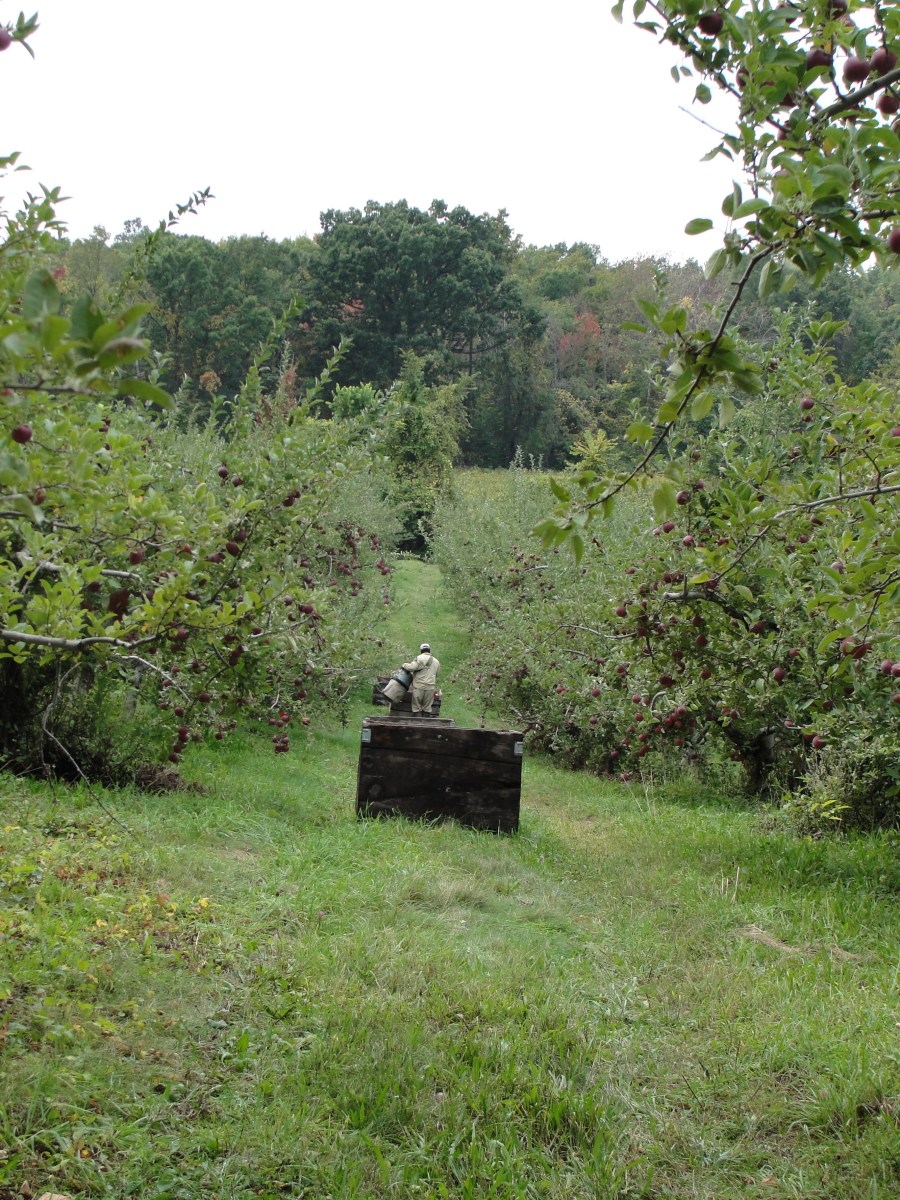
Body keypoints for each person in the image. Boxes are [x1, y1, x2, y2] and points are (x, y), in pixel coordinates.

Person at [401, 642, 441, 716]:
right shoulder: (436, 661)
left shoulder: (419, 658)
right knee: (427, 708)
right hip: (430, 687)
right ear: (429, 650)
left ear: (421, 650)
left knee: (416, 708)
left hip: (419, 687)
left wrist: (404, 665)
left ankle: (417, 724)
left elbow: (411, 667)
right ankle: (425, 724)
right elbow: (436, 674)